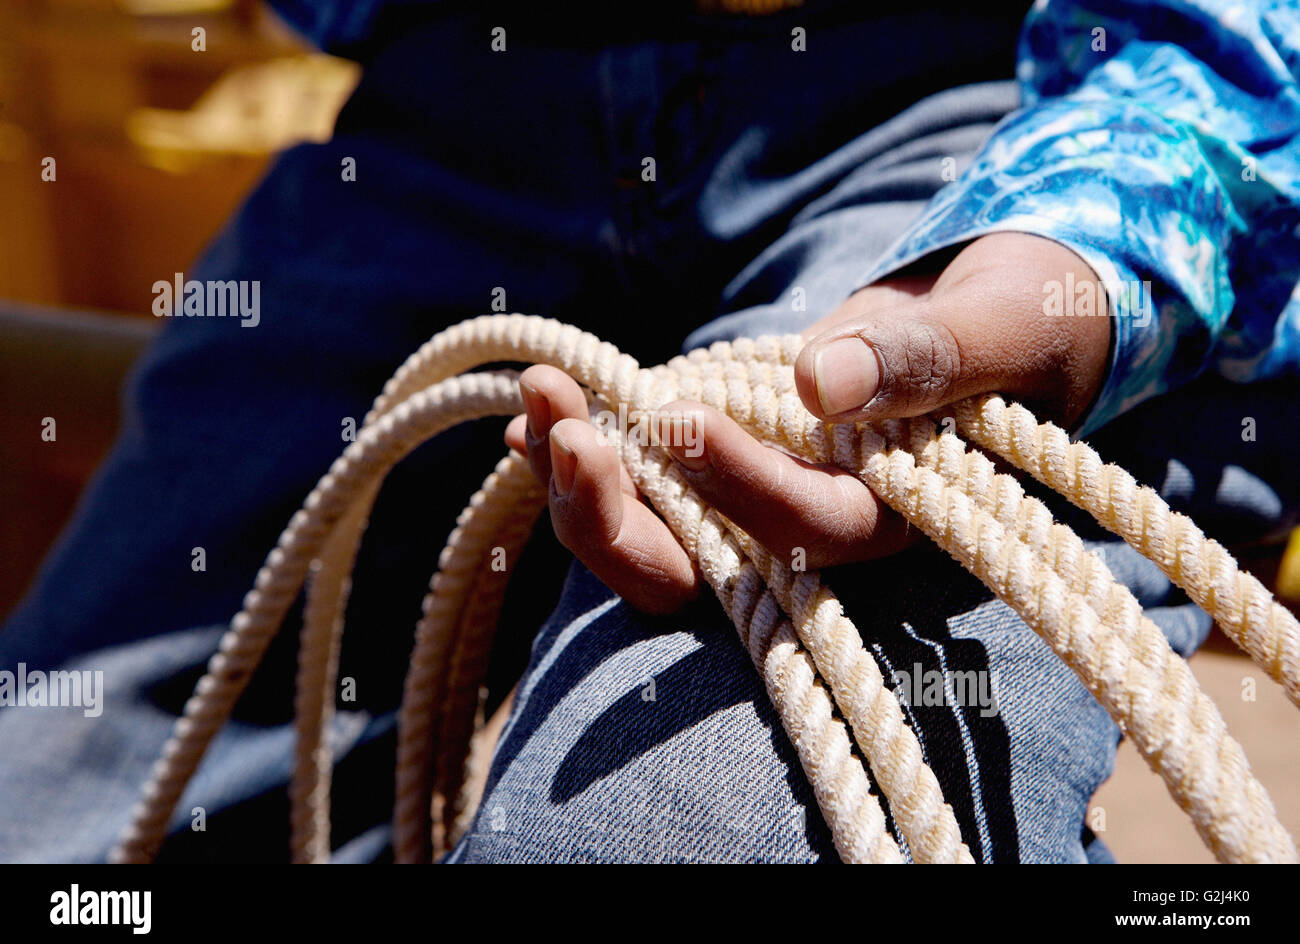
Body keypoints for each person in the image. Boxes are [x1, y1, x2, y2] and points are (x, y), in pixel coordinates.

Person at [3, 0, 1299, 863]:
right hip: (457, 78)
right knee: (48, 820)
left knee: (680, 821)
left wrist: (1100, 230)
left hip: (1029, 93)